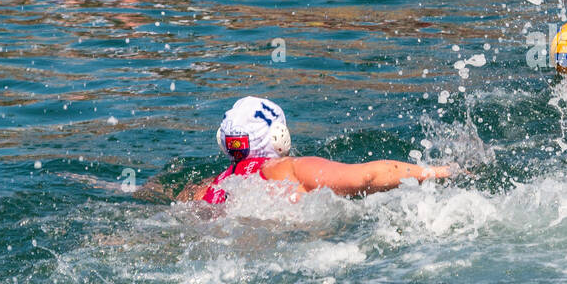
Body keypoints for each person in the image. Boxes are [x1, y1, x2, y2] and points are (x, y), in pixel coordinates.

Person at [191, 96, 452, 203]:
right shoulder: (289, 168)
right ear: (279, 136)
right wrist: (439, 172)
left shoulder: (209, 188)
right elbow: (367, 176)